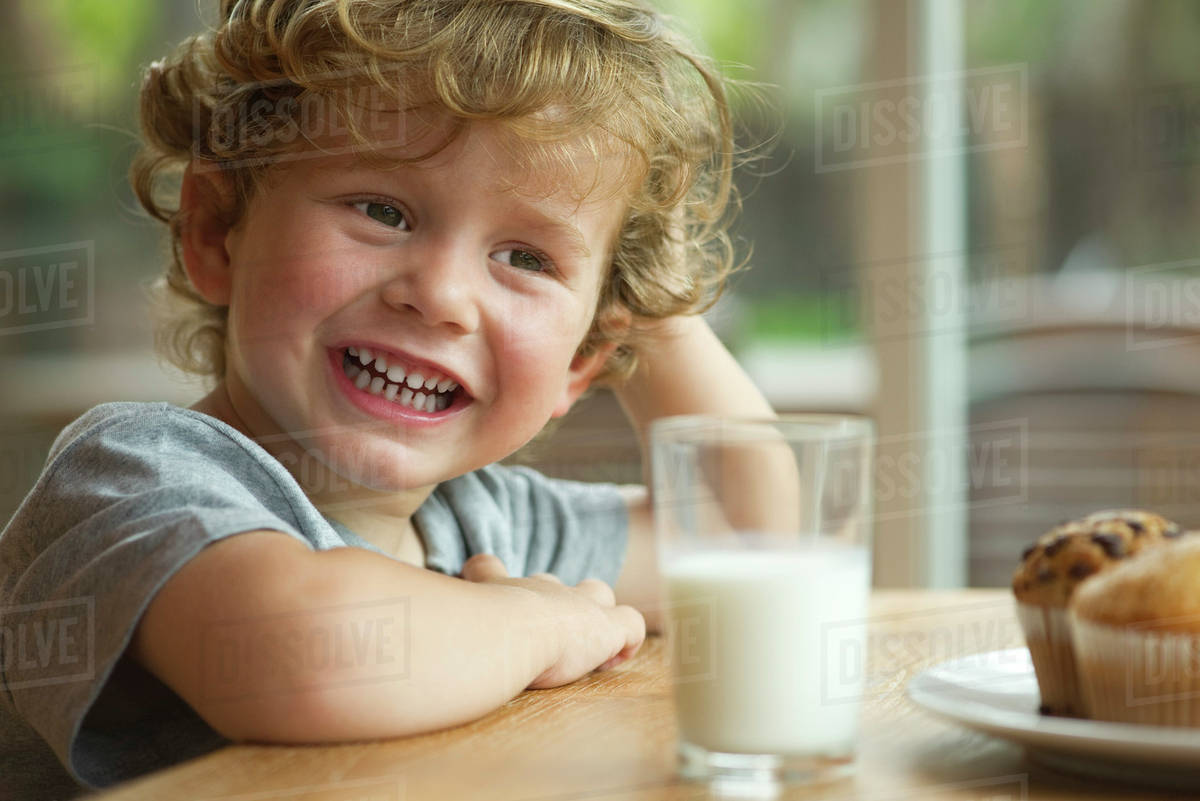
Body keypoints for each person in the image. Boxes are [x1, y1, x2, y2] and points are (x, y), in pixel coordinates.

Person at [0, 0, 774, 796]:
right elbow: (303, 654)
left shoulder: (485, 524)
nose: (440, 295)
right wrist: (544, 624)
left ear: (581, 364)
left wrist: (649, 302)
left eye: (527, 257)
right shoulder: (134, 478)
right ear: (214, 232)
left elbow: (749, 537)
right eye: (382, 210)